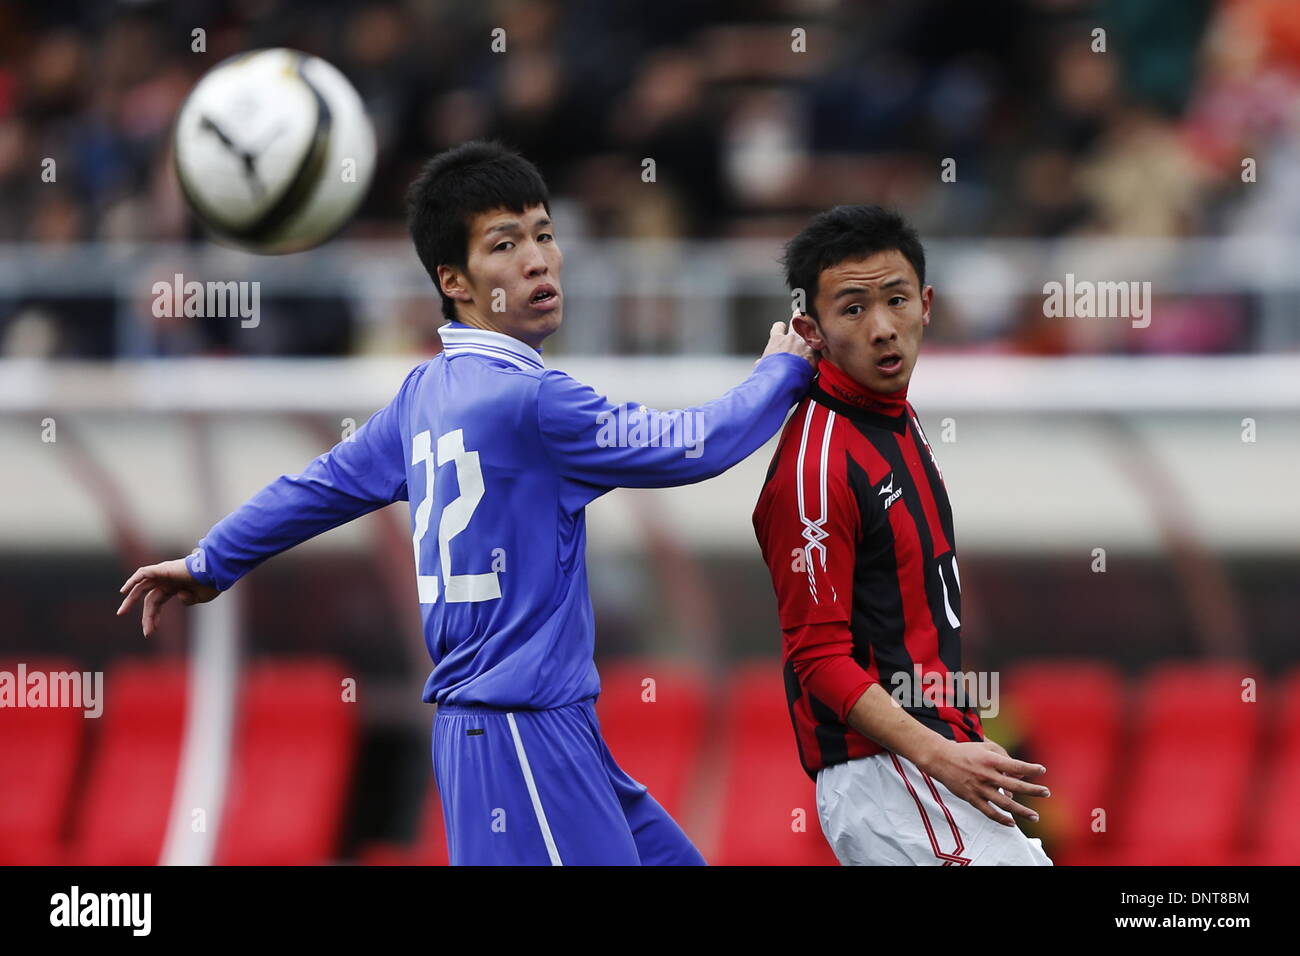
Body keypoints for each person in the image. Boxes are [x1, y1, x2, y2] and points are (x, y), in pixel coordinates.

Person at [117, 140, 818, 865]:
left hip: (544, 731)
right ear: (454, 279)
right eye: (505, 244)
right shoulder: (532, 401)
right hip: (519, 736)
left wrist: (212, 559)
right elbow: (693, 444)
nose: (539, 259)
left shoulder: (426, 392)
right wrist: (780, 372)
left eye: (545, 234)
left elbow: (320, 486)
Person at [751, 204, 1053, 865]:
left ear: (927, 303)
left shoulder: (895, 416)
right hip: (893, 775)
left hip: (931, 764)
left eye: (896, 299)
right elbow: (818, 658)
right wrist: (939, 754)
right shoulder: (818, 467)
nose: (884, 327)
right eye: (853, 309)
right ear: (812, 328)